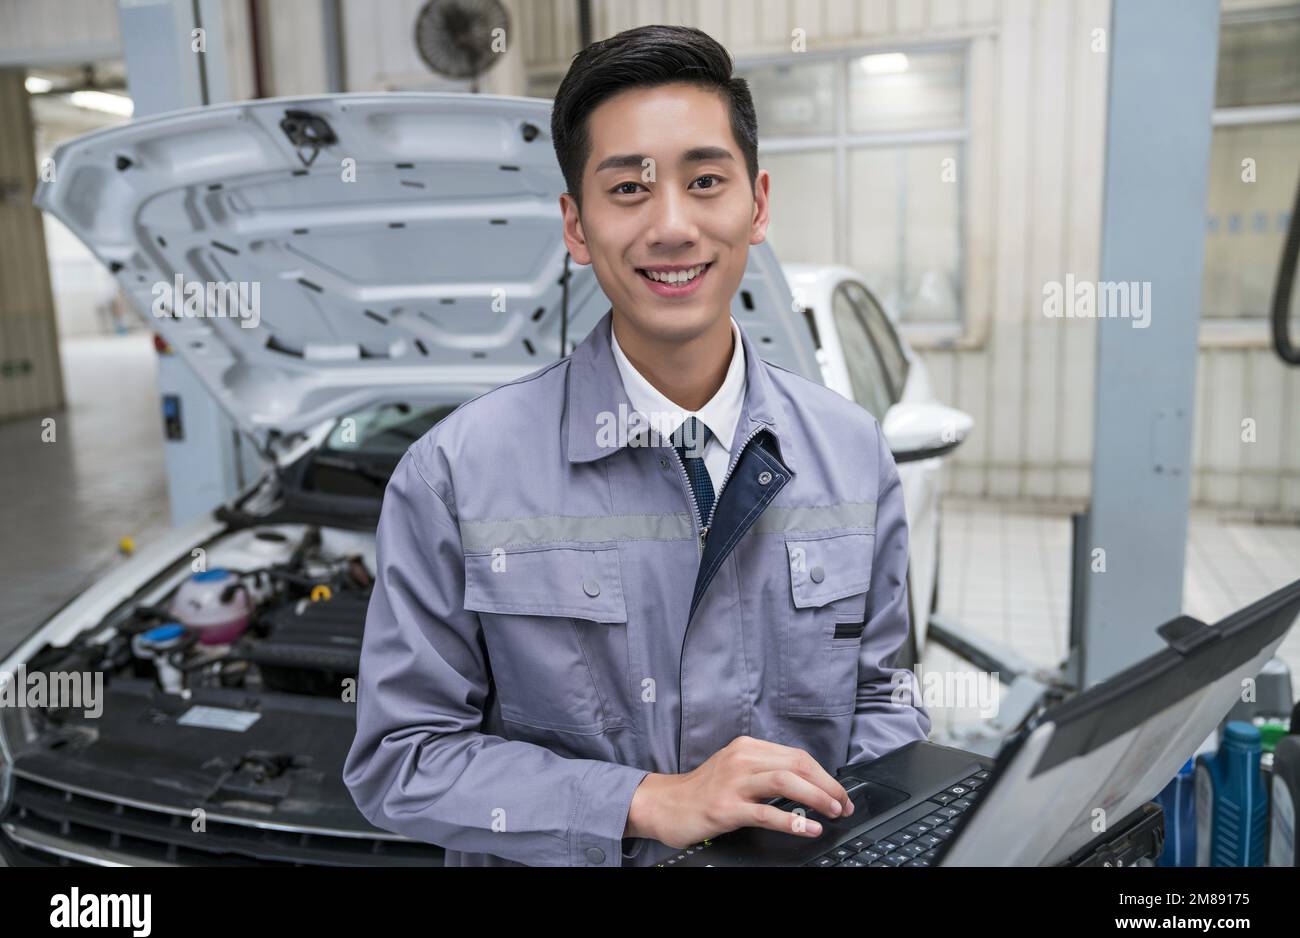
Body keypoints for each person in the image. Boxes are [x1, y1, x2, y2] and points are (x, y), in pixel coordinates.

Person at [343, 23, 931, 867]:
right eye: (628, 190)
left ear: (757, 204)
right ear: (576, 227)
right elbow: (403, 758)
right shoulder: (454, 476)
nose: (672, 226)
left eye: (704, 181)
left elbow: (883, 700)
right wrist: (646, 800)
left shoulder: (851, 453)